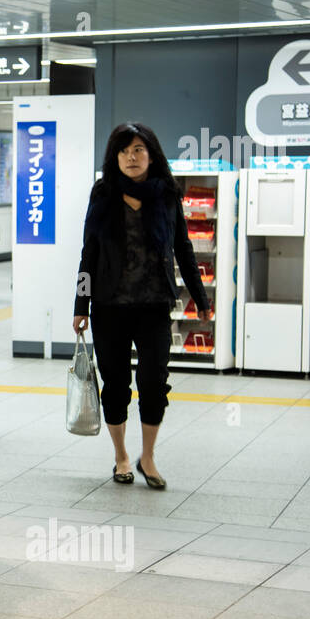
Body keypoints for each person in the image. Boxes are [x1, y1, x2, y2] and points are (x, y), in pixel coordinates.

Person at [73, 122, 213, 490]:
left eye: (137, 149)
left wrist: (200, 298)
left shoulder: (166, 195)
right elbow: (89, 252)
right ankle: (120, 455)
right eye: (123, 151)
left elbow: (182, 247)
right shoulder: (102, 194)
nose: (130, 157)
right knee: (116, 384)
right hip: (109, 307)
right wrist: (80, 304)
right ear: (113, 157)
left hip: (154, 307)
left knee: (153, 383)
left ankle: (147, 457)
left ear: (151, 154)